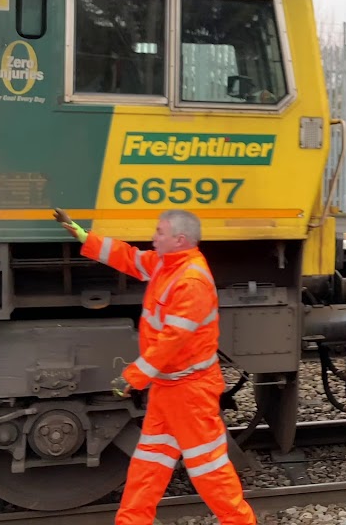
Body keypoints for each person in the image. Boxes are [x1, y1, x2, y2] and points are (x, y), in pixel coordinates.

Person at [54, 207, 256, 525]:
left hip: (190, 392)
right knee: (148, 465)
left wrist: (133, 377)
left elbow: (171, 341)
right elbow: (130, 258)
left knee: (210, 471)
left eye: (159, 232)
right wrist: (85, 237)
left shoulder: (191, 281)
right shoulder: (167, 264)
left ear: (179, 239)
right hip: (169, 388)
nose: (153, 236)